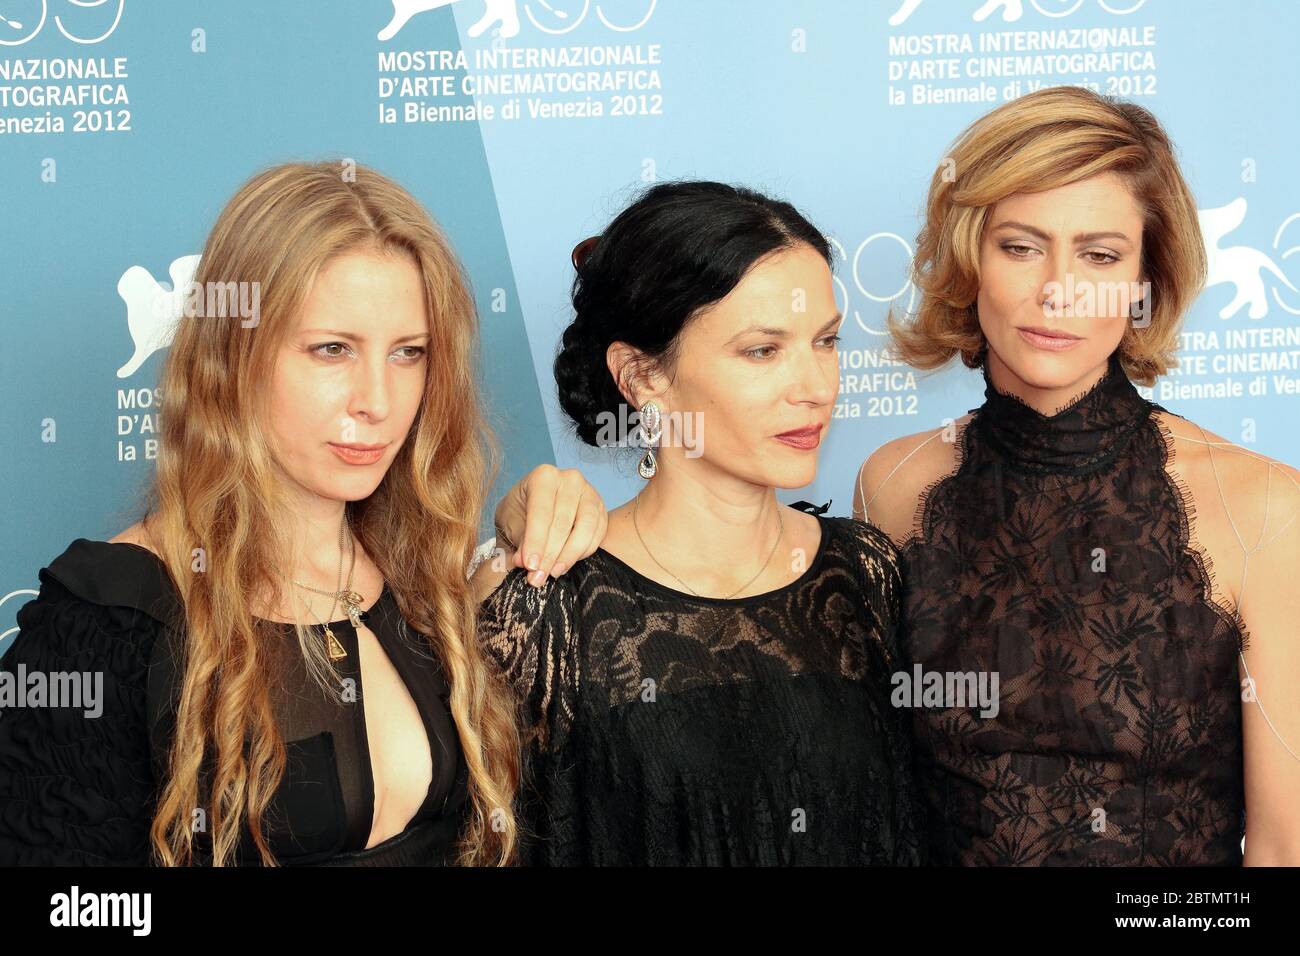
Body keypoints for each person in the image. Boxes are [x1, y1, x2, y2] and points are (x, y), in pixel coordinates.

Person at [0, 160, 604, 866]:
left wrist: (517, 538)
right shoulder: (111, 621)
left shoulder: (426, 582)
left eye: (408, 353)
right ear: (234, 356)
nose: (377, 400)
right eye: (331, 350)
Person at [855, 86, 1300, 865]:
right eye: (1021, 246)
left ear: (1142, 282)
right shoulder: (890, 487)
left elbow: (1282, 851)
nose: (1057, 289)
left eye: (1099, 255)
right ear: (970, 259)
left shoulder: (1264, 509)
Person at [471, 181, 923, 865]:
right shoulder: (546, 605)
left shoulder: (867, 571)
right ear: (642, 376)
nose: (817, 386)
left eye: (825, 341)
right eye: (762, 350)